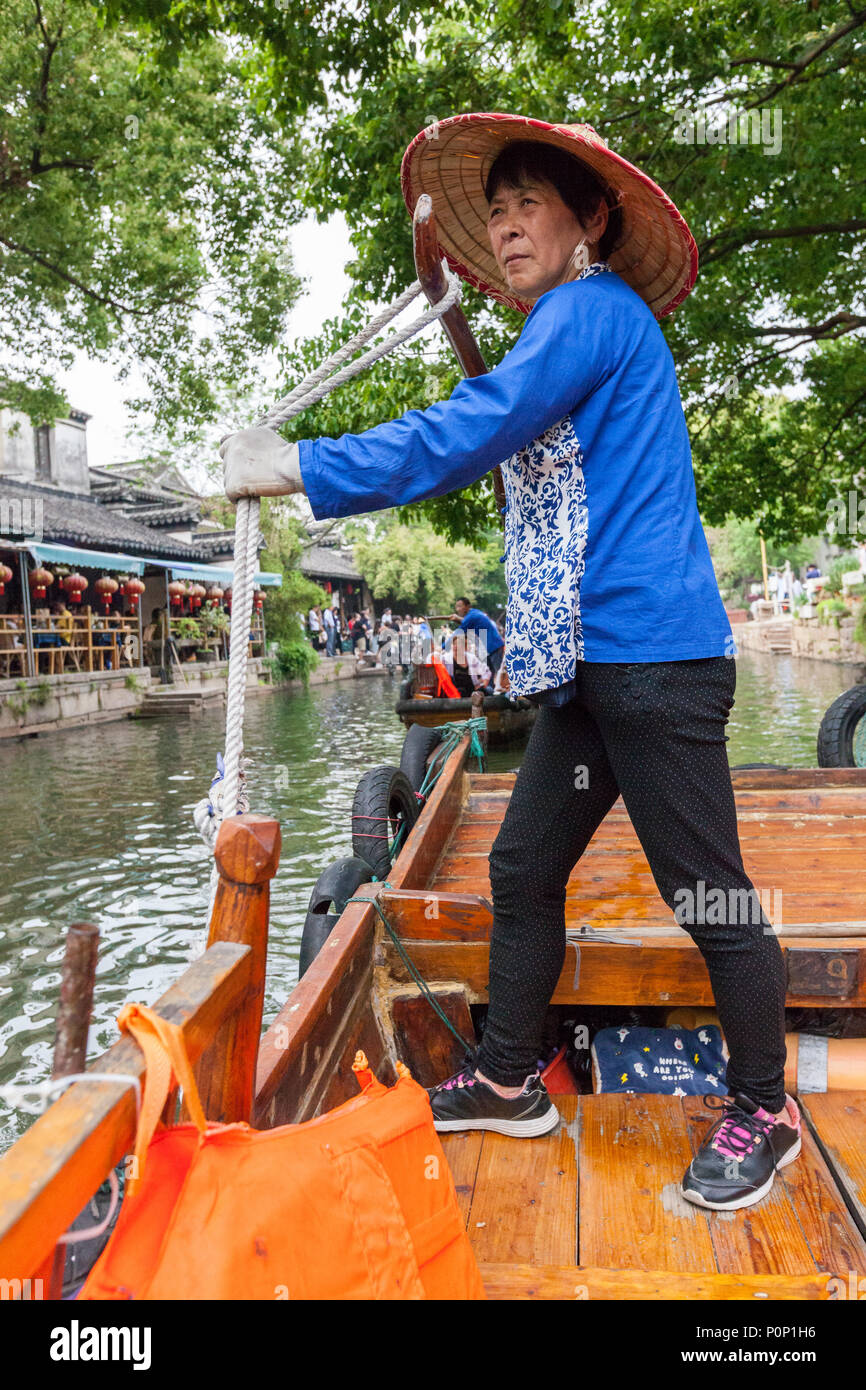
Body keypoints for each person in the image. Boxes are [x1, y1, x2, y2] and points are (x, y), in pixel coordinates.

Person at [222, 114, 799, 1211]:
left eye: (528, 201)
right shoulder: (563, 331)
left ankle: (763, 1107)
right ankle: (506, 1076)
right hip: (592, 671)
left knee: (711, 896)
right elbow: (506, 438)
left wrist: (296, 464)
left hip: (656, 663)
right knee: (523, 864)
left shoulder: (587, 311)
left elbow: (467, 427)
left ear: (587, 221)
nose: (505, 221)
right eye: (493, 209)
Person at [447, 597, 505, 680]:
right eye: (457, 607)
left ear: (468, 606)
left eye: (460, 606)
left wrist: (443, 646)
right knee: (488, 673)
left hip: (494, 646)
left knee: (499, 672)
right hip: (490, 648)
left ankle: (506, 690)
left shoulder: (471, 617)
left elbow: (458, 632)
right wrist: (458, 619)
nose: (458, 609)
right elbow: (467, 622)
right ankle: (491, 690)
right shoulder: (475, 613)